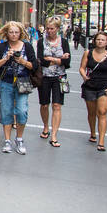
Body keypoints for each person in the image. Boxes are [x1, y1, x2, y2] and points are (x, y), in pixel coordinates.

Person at [0, 21, 35, 154]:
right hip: (6, 82)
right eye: (11, 32)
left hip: (22, 82)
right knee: (6, 111)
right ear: (7, 33)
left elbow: (34, 66)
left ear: (21, 33)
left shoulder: (27, 46)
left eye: (16, 32)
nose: (14, 35)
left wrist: (22, 61)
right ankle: (7, 140)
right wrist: (6, 58)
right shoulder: (2, 47)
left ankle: (19, 138)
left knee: (22, 111)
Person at [79, 31, 107, 151]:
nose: (100, 41)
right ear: (94, 41)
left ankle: (101, 141)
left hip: (105, 87)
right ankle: (93, 133)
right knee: (91, 113)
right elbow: (82, 67)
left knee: (102, 112)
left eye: (103, 40)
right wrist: (84, 76)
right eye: (98, 39)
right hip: (90, 86)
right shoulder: (88, 53)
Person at [36, 17, 71, 148]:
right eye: (48, 28)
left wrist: (50, 59)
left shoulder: (64, 42)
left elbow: (67, 62)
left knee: (57, 105)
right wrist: (59, 58)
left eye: (52, 28)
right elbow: (41, 60)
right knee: (44, 104)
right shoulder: (41, 42)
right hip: (44, 76)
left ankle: (54, 134)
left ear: (57, 29)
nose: (49, 31)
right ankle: (46, 126)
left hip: (60, 77)